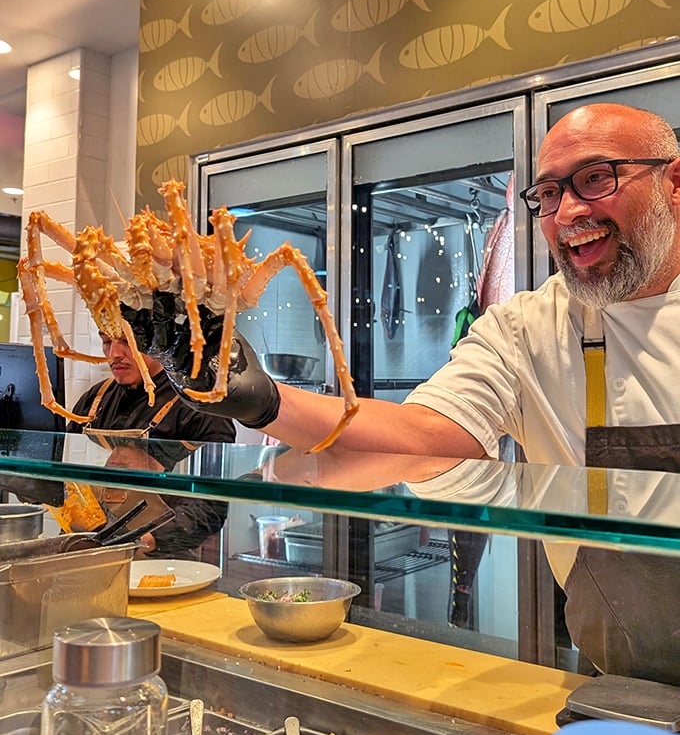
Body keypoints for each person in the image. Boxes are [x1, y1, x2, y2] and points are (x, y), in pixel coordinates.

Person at [131, 102, 680, 681]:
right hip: (624, 684)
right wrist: (262, 398)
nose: (567, 212)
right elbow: (419, 440)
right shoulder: (526, 329)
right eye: (546, 195)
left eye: (596, 179)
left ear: (674, 183)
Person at [66, 332, 236, 559]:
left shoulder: (200, 406)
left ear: (159, 342)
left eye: (128, 341)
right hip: (84, 553)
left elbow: (210, 507)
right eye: (107, 342)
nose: (114, 354)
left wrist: (140, 541)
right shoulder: (96, 399)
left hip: (161, 562)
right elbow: (57, 475)